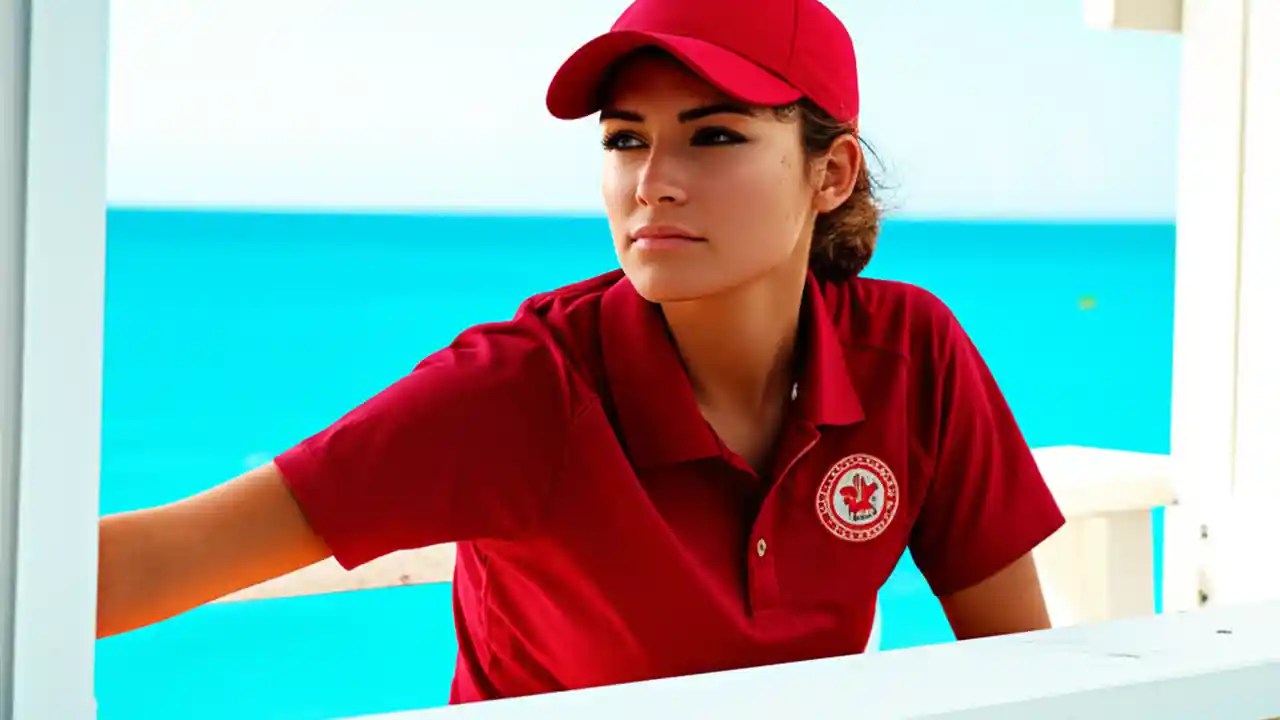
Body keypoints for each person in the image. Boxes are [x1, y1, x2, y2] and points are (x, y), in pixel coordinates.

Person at [97, 0, 1066, 706]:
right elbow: (164, 556)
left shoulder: (911, 356)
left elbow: (1022, 668)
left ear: (830, 171)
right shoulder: (520, 390)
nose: (652, 182)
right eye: (623, 139)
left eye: (713, 136)